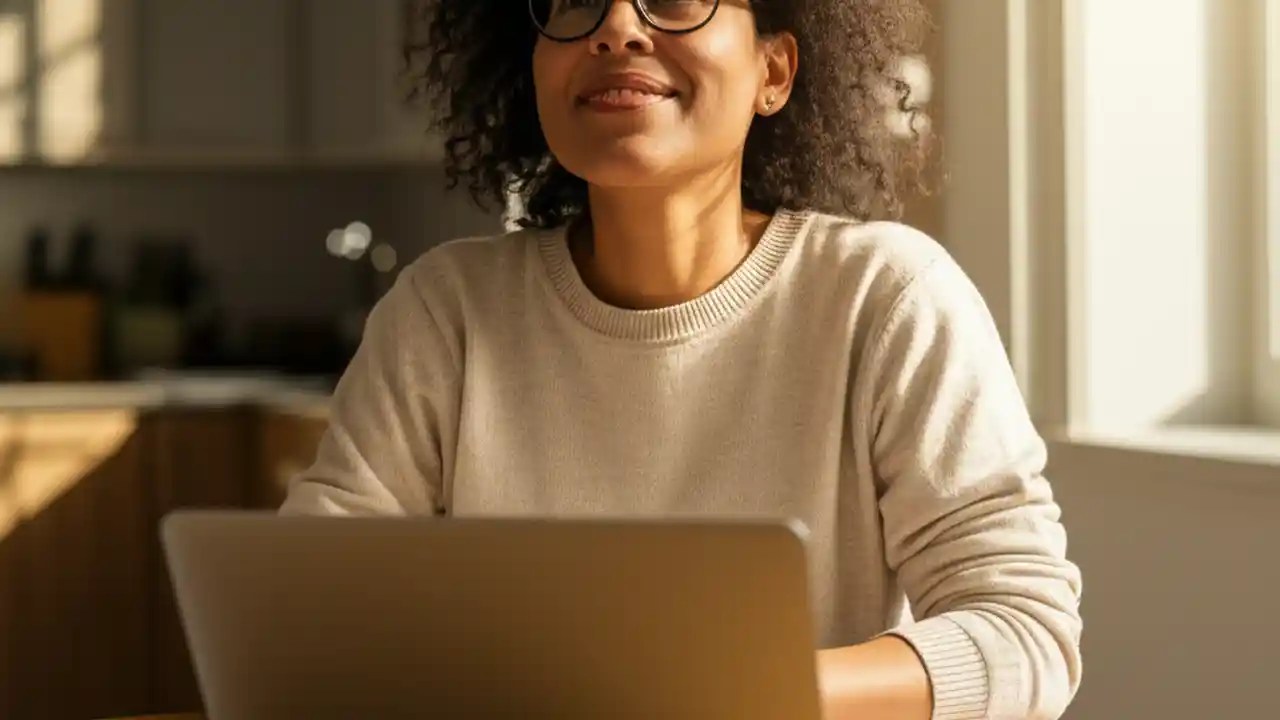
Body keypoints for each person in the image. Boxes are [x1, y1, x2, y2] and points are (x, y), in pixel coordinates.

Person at [281, 0, 1083, 717]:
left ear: (773, 71)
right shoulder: (444, 313)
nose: (616, 26)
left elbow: (1023, 634)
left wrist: (733, 691)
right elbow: (305, 613)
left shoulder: (888, 297)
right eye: (574, 0)